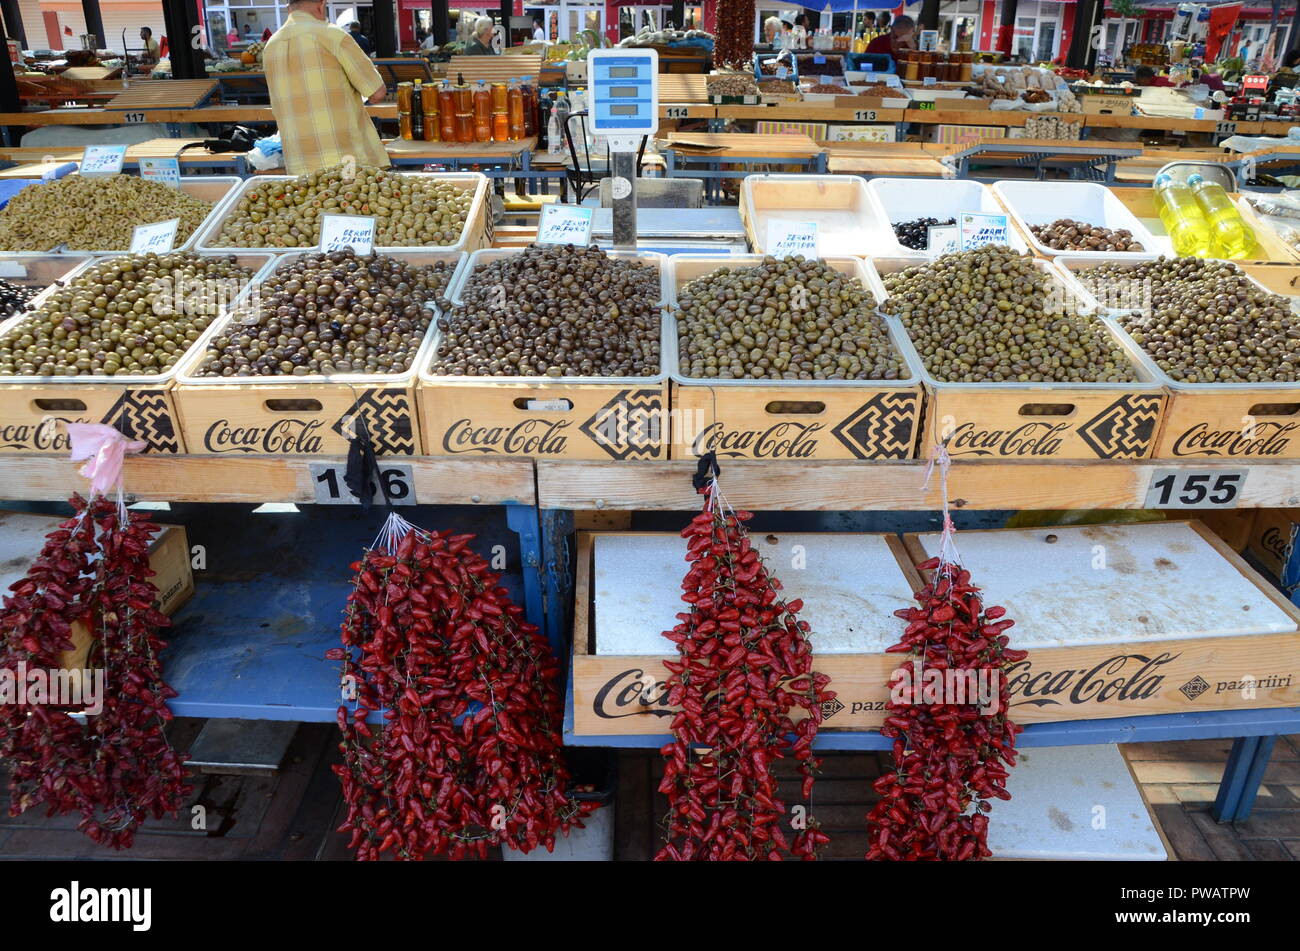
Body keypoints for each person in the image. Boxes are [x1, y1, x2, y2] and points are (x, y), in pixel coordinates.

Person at [263, 0, 388, 175]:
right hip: (345, 161)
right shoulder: (331, 34)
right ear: (321, 5)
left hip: (298, 164)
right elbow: (377, 92)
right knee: (352, 201)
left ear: (289, 8)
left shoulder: (271, 46)